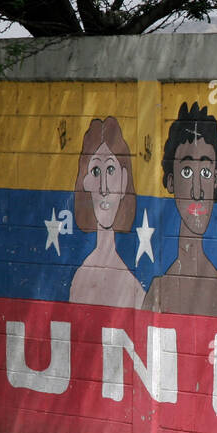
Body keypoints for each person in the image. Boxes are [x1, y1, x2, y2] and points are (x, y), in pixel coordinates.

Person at [144, 101, 217, 318]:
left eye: (205, 173)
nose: (197, 191)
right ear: (171, 181)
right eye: (186, 172)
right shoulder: (159, 288)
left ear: (216, 180)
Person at [69, 117, 145, 307]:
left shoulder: (133, 287)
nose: (104, 188)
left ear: (124, 180)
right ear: (85, 182)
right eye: (95, 171)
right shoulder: (80, 280)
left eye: (111, 169)